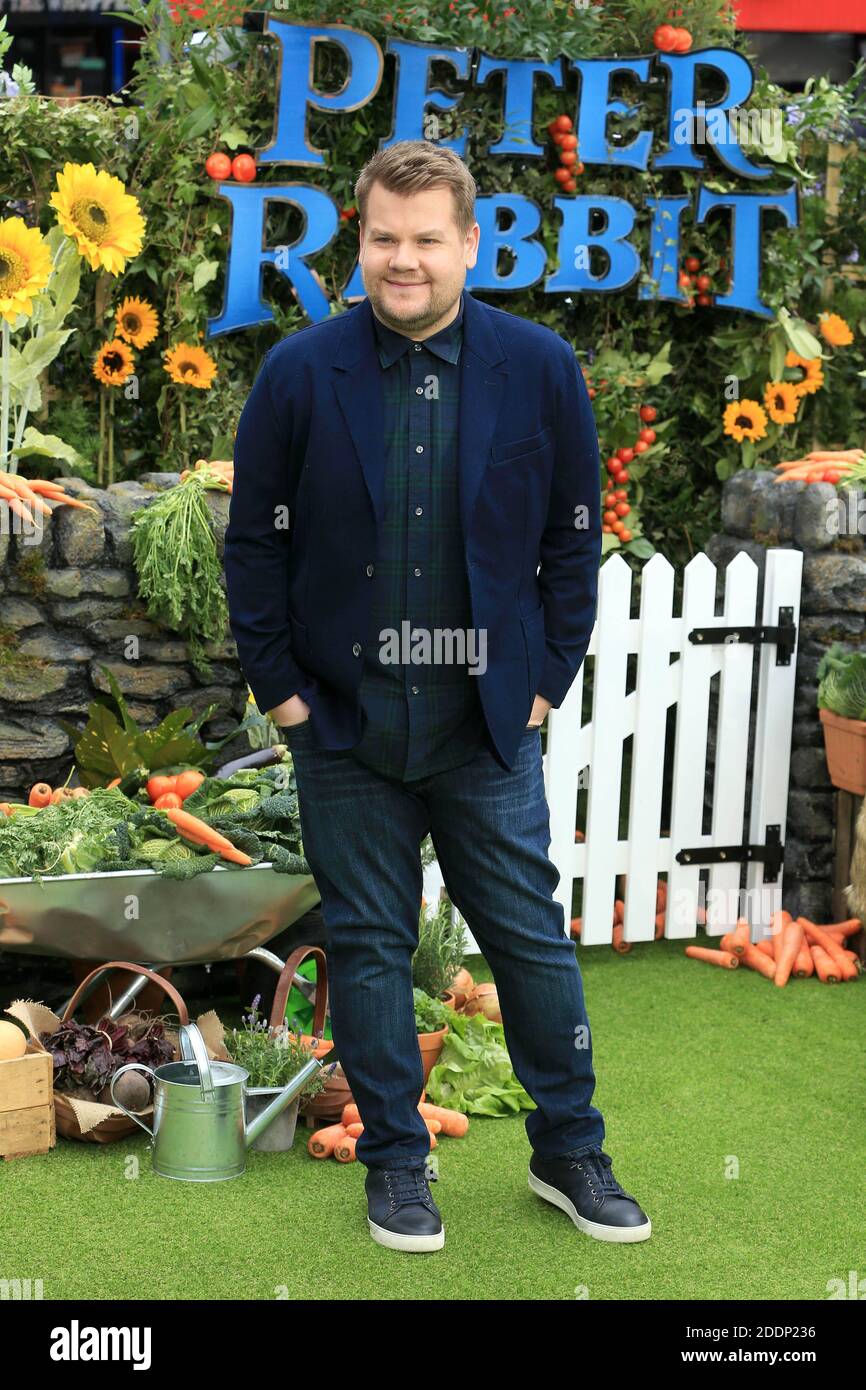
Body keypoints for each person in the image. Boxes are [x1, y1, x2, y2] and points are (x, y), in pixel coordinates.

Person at [224, 139, 651, 1253]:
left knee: (528, 943)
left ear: (468, 243)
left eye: (425, 239)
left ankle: (570, 1154)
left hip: (486, 726)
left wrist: (547, 684)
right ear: (357, 241)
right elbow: (253, 547)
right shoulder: (299, 374)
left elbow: (572, 540)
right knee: (366, 945)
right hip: (344, 723)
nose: (401, 260)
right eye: (382, 239)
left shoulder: (537, 368)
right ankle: (395, 1167)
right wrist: (282, 693)